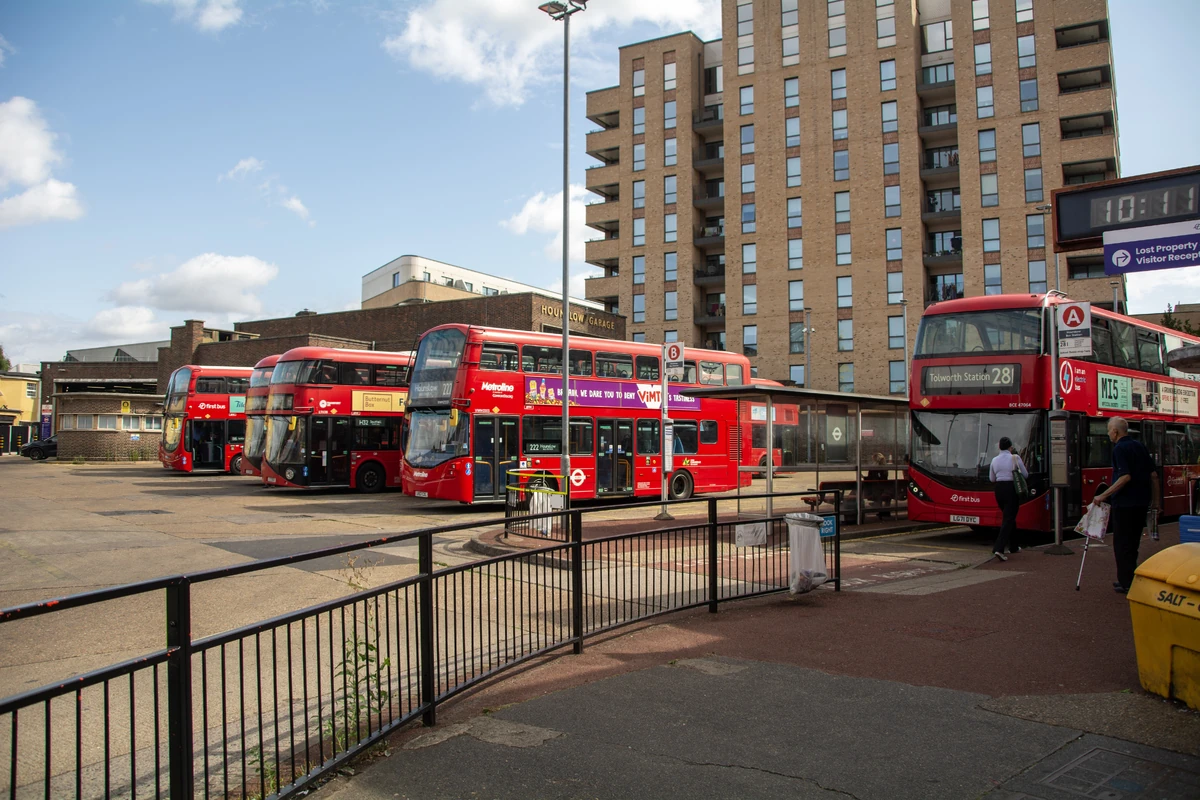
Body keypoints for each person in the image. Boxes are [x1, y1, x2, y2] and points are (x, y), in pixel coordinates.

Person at [1092, 417, 1159, 594]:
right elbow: (1153, 475)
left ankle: (1126, 581)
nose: (1108, 434)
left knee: (1121, 543)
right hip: (1141, 501)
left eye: (1108, 430)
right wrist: (1156, 501)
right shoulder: (1140, 446)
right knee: (1133, 542)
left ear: (1115, 431)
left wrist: (1103, 495)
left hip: (1125, 503)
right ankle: (1130, 576)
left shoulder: (1119, 449)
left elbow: (1125, 477)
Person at [989, 437, 1028, 561]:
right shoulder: (1015, 458)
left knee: (1009, 516)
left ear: (999, 447)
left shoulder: (994, 460)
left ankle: (1014, 546)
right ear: (1010, 447)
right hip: (1011, 488)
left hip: (999, 490)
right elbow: (1025, 474)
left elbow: (992, 479)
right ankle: (999, 549)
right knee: (1008, 518)